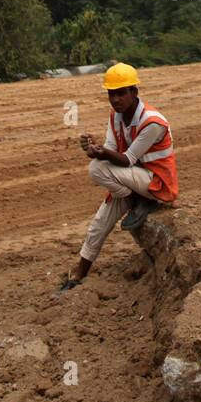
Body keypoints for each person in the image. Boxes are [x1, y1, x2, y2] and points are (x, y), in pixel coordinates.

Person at [59, 63, 177, 292]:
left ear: (135, 92)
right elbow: (112, 151)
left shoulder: (152, 122)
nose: (115, 99)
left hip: (156, 183)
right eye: (111, 93)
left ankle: (136, 201)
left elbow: (127, 159)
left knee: (96, 169)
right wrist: (95, 150)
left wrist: (101, 153)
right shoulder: (116, 117)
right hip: (131, 182)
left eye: (121, 93)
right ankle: (78, 275)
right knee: (98, 225)